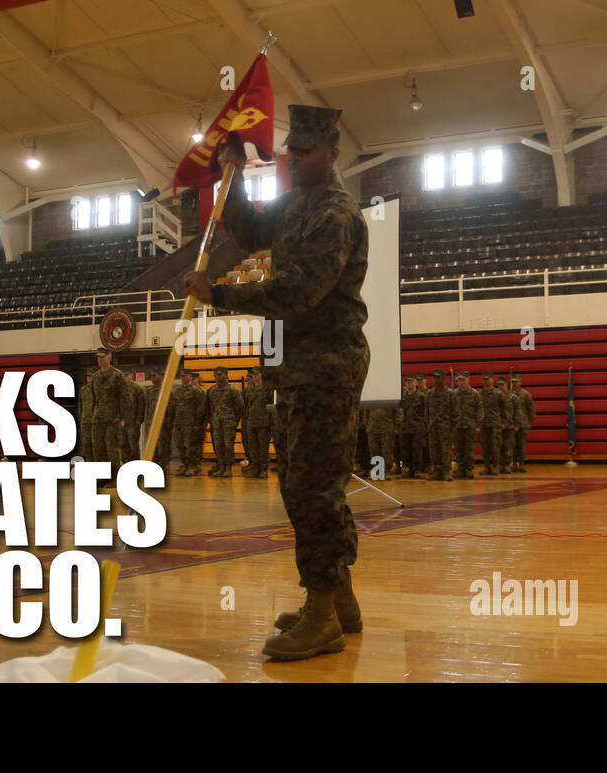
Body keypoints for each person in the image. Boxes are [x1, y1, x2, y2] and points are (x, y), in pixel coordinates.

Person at [183, 104, 369, 661]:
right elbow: (248, 232)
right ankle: (340, 600)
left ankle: (322, 615)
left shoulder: (334, 214)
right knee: (307, 484)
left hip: (328, 366)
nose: (293, 159)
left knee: (312, 488)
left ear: (333, 153)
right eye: (290, 151)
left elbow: (297, 292)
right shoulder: (296, 206)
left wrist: (221, 295)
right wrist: (231, 173)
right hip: (298, 367)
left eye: (305, 151)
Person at [89, 349, 132, 487]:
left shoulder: (117, 376)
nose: (100, 360)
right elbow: (94, 398)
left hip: (113, 420)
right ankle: (103, 477)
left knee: (112, 449)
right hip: (98, 420)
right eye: (98, 358)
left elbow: (126, 398)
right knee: (98, 449)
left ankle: (117, 478)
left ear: (110, 357)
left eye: (103, 357)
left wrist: (123, 418)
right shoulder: (95, 377)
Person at [206, 366, 245, 478]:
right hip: (216, 423)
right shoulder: (212, 390)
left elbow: (240, 408)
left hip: (229, 423)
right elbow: (210, 408)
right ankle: (221, 466)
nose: (216, 377)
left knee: (228, 446)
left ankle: (228, 468)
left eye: (219, 375)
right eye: (215, 375)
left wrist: (234, 420)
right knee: (218, 446)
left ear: (226, 375)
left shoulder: (233, 390)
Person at [172, 369, 207, 476]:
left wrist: (198, 423)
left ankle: (193, 466)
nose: (182, 378)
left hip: (191, 423)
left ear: (190, 377)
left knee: (191, 446)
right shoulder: (177, 391)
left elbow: (201, 409)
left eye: (185, 376)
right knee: (180, 445)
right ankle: (185, 464)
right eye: (181, 376)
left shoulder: (197, 391)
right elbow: (173, 407)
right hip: (179, 423)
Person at [426, 369, 456, 481]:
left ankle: (446, 471)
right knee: (434, 450)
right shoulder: (430, 393)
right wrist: (427, 424)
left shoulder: (449, 393)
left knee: (446, 450)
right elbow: (426, 411)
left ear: (443, 379)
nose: (436, 379)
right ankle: (437, 471)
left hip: (445, 426)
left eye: (438, 377)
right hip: (433, 426)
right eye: (434, 377)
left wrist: (453, 425)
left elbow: (455, 410)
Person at [242, 367, 272, 478]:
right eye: (252, 374)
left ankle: (263, 469)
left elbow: (271, 406)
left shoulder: (267, 388)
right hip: (251, 422)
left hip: (264, 423)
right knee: (253, 447)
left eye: (256, 374)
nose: (254, 376)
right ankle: (255, 467)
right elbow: (245, 405)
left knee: (263, 448)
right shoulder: (248, 390)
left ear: (261, 375)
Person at [143, 369, 173, 469]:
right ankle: (154, 464)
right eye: (151, 376)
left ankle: (164, 464)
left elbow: (171, 407)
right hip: (151, 422)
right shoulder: (149, 391)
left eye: (154, 376)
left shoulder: (166, 390)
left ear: (160, 376)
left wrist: (169, 421)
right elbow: (146, 407)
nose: (152, 378)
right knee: (152, 445)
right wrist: (146, 420)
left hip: (163, 422)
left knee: (164, 444)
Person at [454, 371, 481, 479]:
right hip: (458, 426)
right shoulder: (454, 394)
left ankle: (468, 469)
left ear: (468, 380)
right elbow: (450, 409)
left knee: (469, 449)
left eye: (463, 380)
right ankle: (461, 469)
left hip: (470, 426)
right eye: (459, 380)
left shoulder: (474, 393)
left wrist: (478, 425)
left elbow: (479, 410)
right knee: (459, 449)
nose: (461, 382)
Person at [478, 373, 503, 476]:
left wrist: (503, 422)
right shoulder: (479, 394)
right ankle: (487, 467)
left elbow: (504, 409)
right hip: (484, 424)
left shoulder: (498, 393)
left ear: (492, 380)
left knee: (495, 446)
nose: (485, 381)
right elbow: (478, 409)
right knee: (485, 447)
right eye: (484, 379)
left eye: (487, 379)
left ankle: (496, 467)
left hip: (494, 424)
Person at [511, 374, 535, 473]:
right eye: (512, 382)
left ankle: (521, 464)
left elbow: (531, 409)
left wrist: (530, 422)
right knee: (512, 445)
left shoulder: (526, 394)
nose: (514, 383)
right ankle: (514, 464)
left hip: (522, 424)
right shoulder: (508, 394)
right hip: (511, 424)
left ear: (520, 382)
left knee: (521, 445)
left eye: (516, 382)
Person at [126, 372, 146, 462]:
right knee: (123, 444)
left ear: (131, 376)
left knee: (133, 444)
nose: (125, 377)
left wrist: (140, 418)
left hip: (133, 422)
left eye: (127, 375)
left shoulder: (137, 388)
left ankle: (136, 464)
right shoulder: (120, 389)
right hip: (123, 422)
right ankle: (125, 463)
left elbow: (142, 404)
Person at [79, 370, 96, 462]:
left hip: (95, 420)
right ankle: (88, 460)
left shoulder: (97, 389)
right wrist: (81, 417)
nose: (88, 379)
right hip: (85, 420)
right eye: (87, 377)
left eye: (90, 377)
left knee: (96, 442)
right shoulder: (83, 389)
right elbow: (80, 405)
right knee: (86, 442)